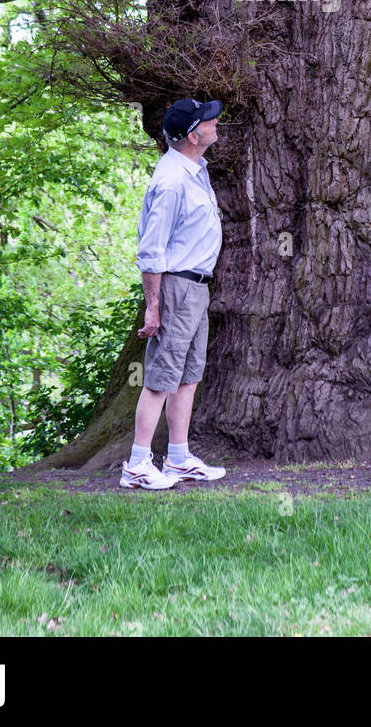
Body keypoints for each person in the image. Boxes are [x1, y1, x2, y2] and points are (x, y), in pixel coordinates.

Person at [120, 97, 227, 491]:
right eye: (209, 121)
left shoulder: (195, 169)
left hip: (197, 287)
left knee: (187, 375)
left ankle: (178, 458)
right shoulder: (170, 180)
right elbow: (150, 251)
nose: (216, 124)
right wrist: (154, 307)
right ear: (193, 134)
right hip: (178, 287)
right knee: (162, 377)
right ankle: (136, 464)